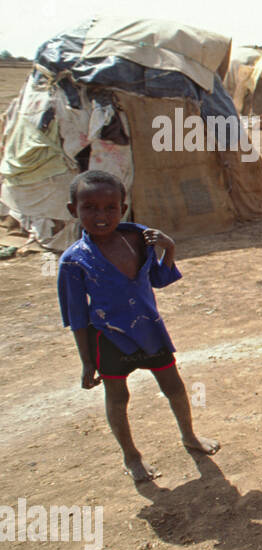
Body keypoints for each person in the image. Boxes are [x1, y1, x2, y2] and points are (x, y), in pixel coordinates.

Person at [57, 170, 219, 483]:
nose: (101, 216)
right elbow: (77, 316)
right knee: (118, 397)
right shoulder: (74, 261)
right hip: (110, 339)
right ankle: (131, 456)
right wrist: (87, 362)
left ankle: (189, 435)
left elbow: (159, 278)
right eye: (89, 207)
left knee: (174, 385)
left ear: (123, 207)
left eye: (110, 208)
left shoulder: (141, 238)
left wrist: (168, 249)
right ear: (72, 210)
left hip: (149, 330)